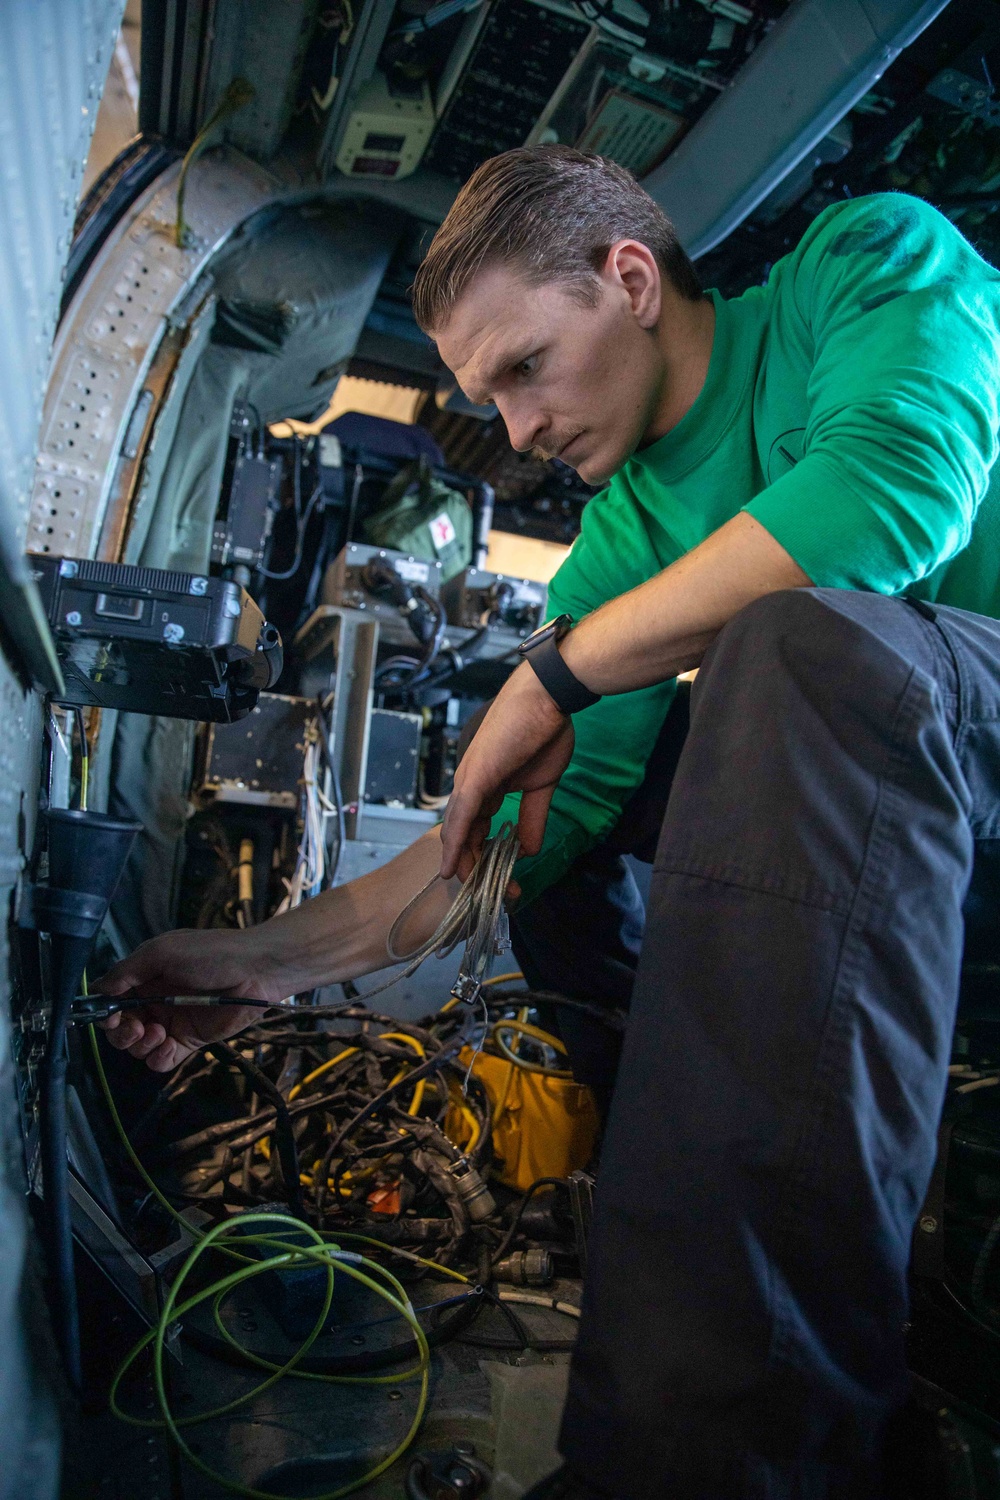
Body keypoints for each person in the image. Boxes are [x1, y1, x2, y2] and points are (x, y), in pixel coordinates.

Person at [97, 146, 1000, 1499]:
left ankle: (726, 1457)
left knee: (796, 655)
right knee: (556, 795)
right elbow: (526, 835)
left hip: (953, 734)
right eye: (484, 398)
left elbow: (892, 497)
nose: (512, 432)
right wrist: (263, 968)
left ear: (628, 277)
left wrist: (562, 666)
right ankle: (663, 1181)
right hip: (934, 842)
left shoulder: (866, 265)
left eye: (524, 367)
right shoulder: (631, 529)